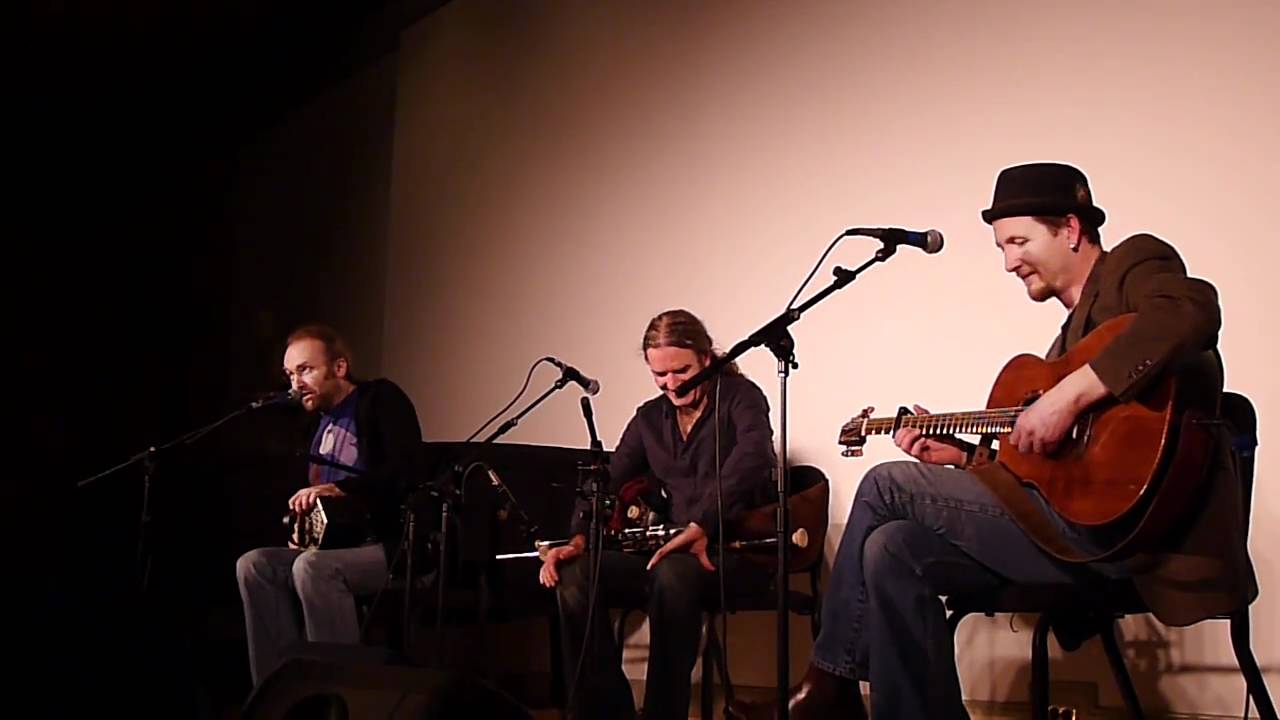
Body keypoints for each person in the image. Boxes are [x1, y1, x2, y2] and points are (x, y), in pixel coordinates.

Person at [731, 162, 1259, 719]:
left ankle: (829, 686)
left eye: (1018, 241)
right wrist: (965, 458)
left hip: (1134, 541)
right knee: (892, 548)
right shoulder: (1065, 348)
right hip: (1076, 533)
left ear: (1071, 229)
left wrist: (1070, 396)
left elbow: (1193, 311)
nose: (1009, 262)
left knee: (887, 484)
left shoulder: (1134, 266)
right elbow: (1054, 482)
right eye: (1002, 248)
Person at [540, 309, 778, 720]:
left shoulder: (742, 397)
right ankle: (605, 712)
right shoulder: (649, 417)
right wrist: (576, 538)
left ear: (706, 358)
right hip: (670, 554)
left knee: (673, 572)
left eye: (682, 371)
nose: (672, 384)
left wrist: (702, 523)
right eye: (660, 374)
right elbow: (607, 479)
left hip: (734, 552)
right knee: (576, 575)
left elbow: (754, 458)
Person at [235, 324, 424, 688]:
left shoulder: (379, 399)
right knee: (255, 565)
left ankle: (338, 692)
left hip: (388, 545)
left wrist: (341, 489)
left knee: (312, 569)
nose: (296, 384)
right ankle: (278, 693)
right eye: (290, 374)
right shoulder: (313, 426)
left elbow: (405, 471)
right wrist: (300, 529)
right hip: (332, 546)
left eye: (305, 370)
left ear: (339, 367)